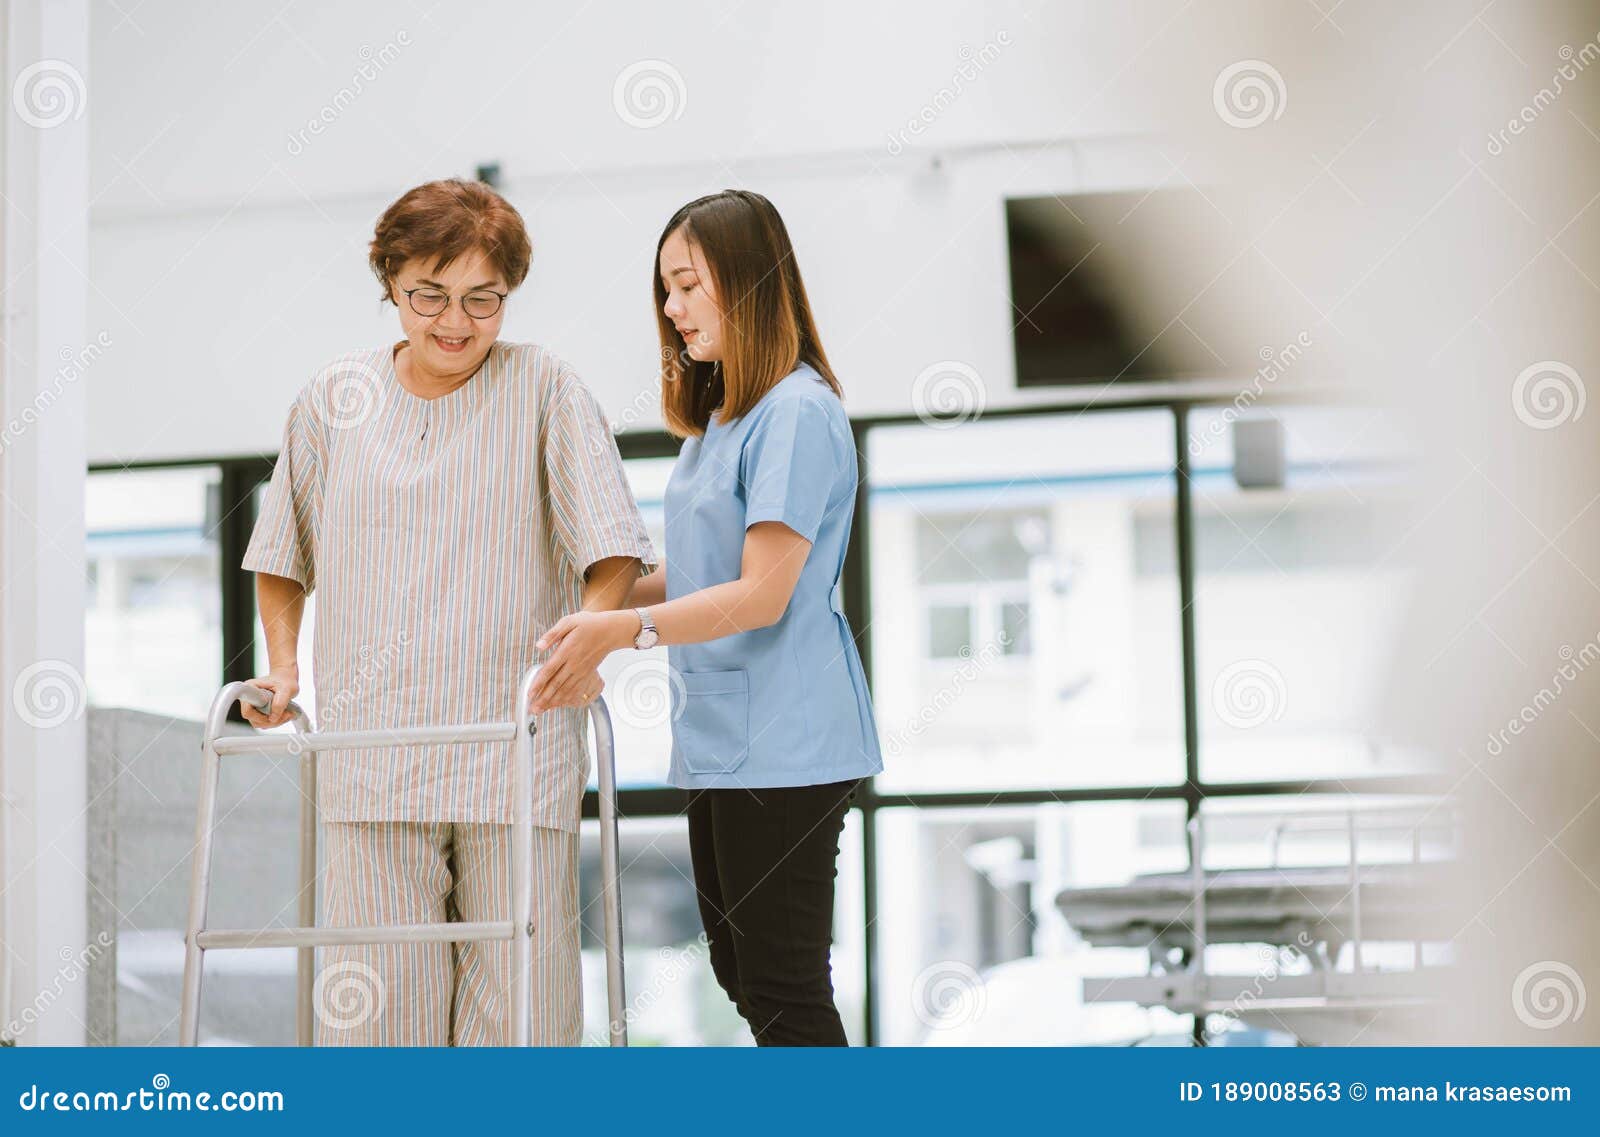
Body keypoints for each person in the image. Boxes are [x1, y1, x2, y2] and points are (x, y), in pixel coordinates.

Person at [241, 177, 653, 1046]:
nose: (455, 322)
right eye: (428, 295)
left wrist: (588, 642)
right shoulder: (331, 400)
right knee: (380, 1018)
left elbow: (611, 548)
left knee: (524, 1018)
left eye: (482, 299)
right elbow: (282, 554)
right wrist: (284, 667)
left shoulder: (546, 388)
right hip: (372, 753)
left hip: (516, 745)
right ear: (389, 281)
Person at [531, 189, 882, 1045]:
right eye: (665, 289)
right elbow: (687, 574)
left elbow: (761, 591)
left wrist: (620, 633)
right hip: (724, 739)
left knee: (785, 982)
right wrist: (579, 602)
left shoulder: (798, 413)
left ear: (750, 281)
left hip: (790, 742)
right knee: (740, 970)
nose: (672, 309)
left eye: (687, 284)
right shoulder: (721, 419)